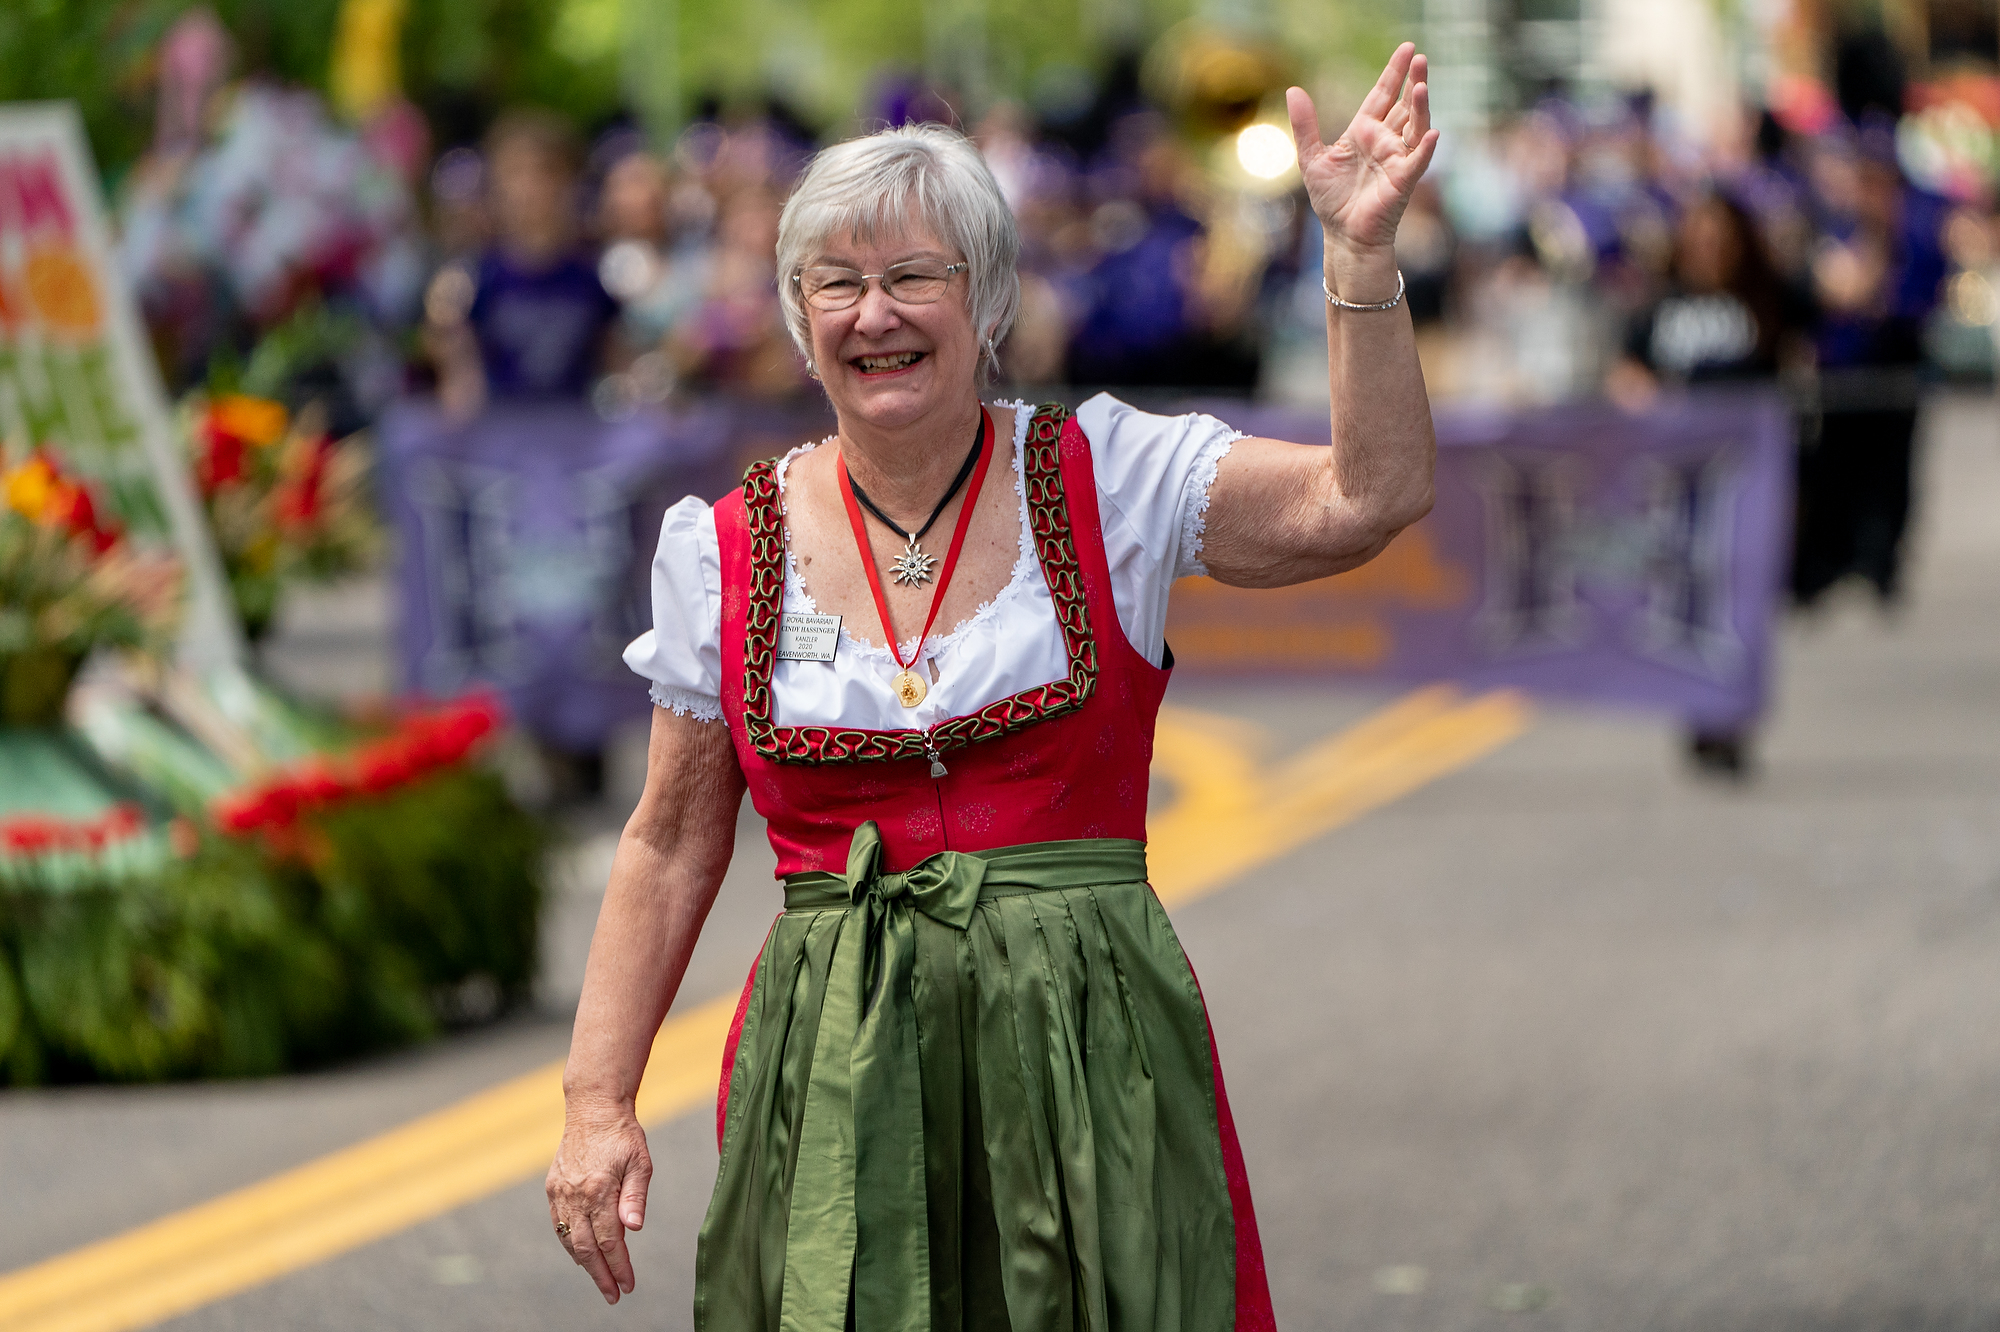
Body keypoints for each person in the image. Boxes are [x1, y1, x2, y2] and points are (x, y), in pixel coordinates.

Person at [546, 44, 1440, 1330]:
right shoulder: (721, 550)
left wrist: (1356, 257)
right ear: (798, 319)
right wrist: (595, 1103)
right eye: (837, 283)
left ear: (989, 300)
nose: (875, 315)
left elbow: (1368, 496)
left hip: (1087, 1046)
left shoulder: (1111, 477)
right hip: (834, 1057)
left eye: (915, 276)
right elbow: (671, 838)